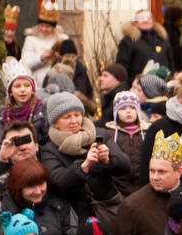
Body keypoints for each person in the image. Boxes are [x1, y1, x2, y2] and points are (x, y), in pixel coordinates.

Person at [39, 92, 130, 223]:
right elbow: (57, 184)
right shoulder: (50, 150)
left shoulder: (100, 135)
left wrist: (108, 159)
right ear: (55, 123)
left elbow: (126, 166)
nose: (74, 121)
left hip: (110, 208)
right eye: (67, 117)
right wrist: (83, 167)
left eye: (77, 115)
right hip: (79, 216)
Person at [110, 133, 182, 235]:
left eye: (162, 172)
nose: (155, 177)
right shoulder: (133, 205)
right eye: (152, 171)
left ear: (178, 172)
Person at [0, 158, 78, 235]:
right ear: (18, 188)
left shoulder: (59, 205)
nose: (38, 191)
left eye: (41, 184)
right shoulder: (0, 208)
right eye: (31, 186)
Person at [116, 8, 174, 82]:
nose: (145, 21)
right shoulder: (128, 41)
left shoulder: (162, 39)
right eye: (141, 18)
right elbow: (122, 68)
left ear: (153, 22)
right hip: (138, 87)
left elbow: (171, 62)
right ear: (135, 22)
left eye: (148, 18)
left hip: (162, 85)